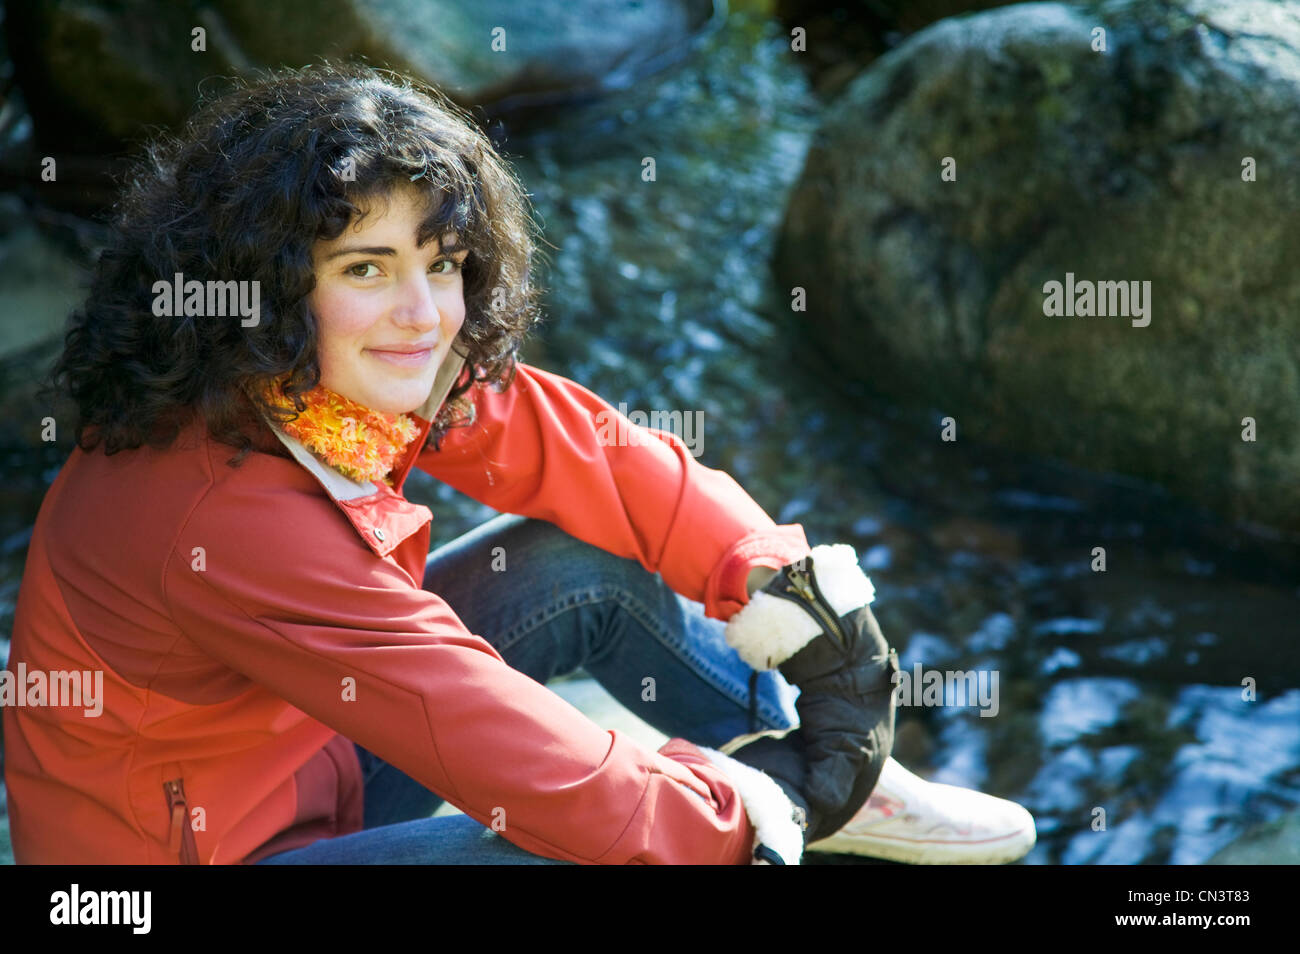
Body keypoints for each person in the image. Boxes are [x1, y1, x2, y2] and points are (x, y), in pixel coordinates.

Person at [2, 64, 1035, 865]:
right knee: (603, 843)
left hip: (310, 761)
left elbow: (591, 455)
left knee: (583, 563)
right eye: (366, 269)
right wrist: (737, 820)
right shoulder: (222, 513)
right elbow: (493, 734)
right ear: (266, 286)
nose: (423, 313)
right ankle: (788, 802)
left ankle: (836, 780)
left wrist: (787, 588)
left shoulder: (330, 375)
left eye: (441, 263)